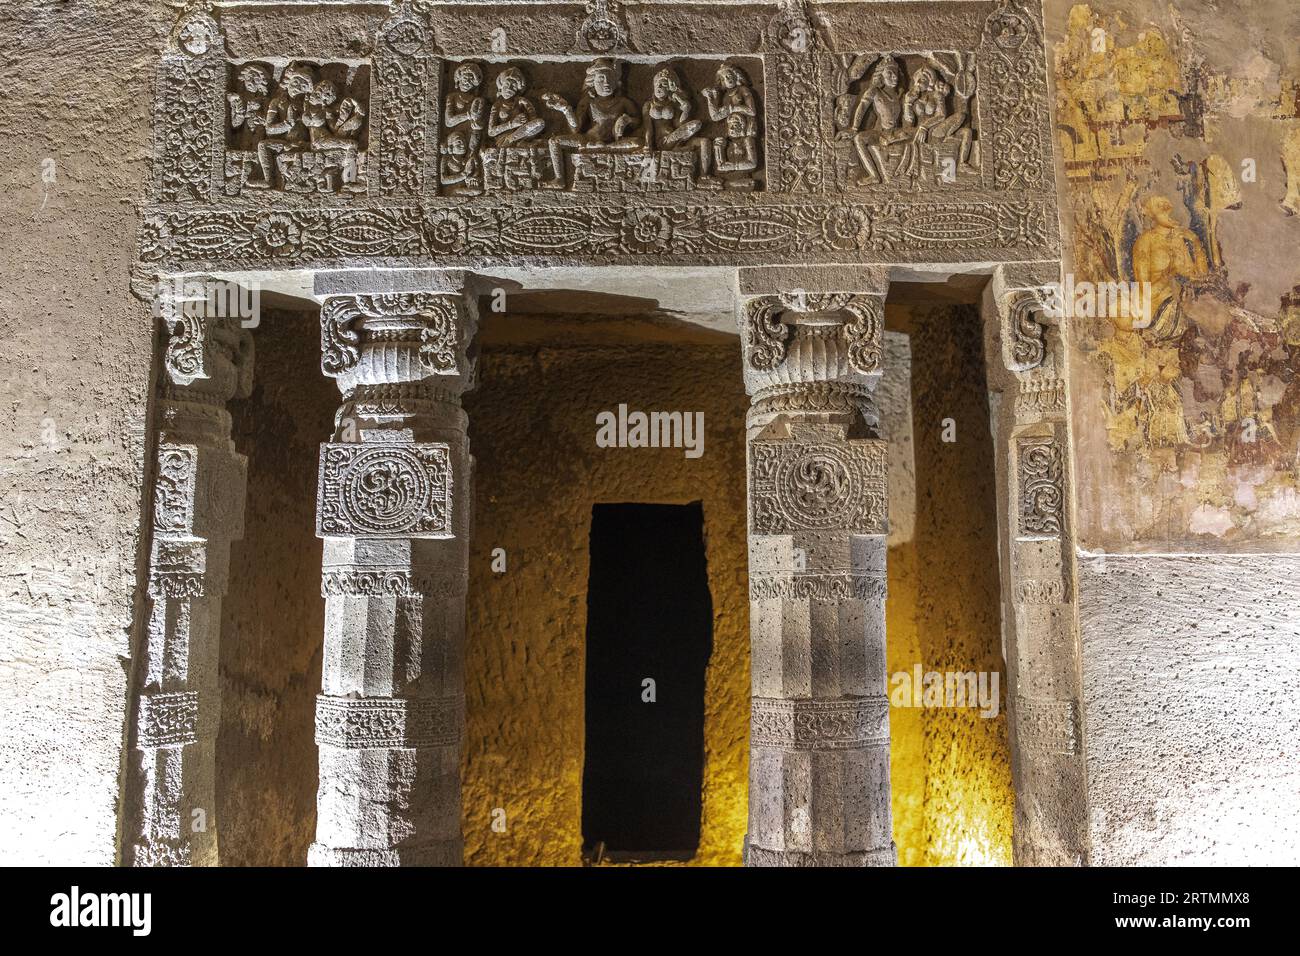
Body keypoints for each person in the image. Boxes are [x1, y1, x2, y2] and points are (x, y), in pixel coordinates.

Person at [541, 58, 641, 188]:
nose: (606, 83)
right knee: (554, 141)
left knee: (638, 142)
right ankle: (559, 178)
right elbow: (576, 128)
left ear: (616, 82)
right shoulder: (588, 101)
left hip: (614, 142)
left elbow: (637, 122)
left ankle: (605, 148)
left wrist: (628, 120)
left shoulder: (623, 102)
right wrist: (566, 110)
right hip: (587, 139)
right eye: (600, 79)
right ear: (592, 82)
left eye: (610, 79)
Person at [642, 67, 714, 183]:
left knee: (704, 141)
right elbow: (648, 128)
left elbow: (680, 125)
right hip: (663, 142)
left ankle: (705, 175)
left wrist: (686, 108)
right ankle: (677, 149)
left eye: (664, 85)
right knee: (695, 125)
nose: (660, 87)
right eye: (658, 84)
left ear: (670, 88)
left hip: (676, 138)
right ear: (654, 85)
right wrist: (648, 146)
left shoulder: (672, 104)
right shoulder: (648, 105)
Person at [250, 62, 315, 189]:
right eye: (295, 82)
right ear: (288, 83)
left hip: (304, 144)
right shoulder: (277, 102)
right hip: (284, 143)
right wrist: (287, 123)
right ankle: (269, 180)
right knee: (263, 145)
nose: (298, 87)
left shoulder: (308, 104)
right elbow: (269, 129)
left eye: (303, 86)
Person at [486, 66, 546, 146]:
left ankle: (515, 141)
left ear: (517, 90)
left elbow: (533, 119)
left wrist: (526, 118)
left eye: (513, 86)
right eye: (506, 85)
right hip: (504, 139)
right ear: (501, 87)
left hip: (522, 134)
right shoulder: (497, 105)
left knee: (540, 123)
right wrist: (511, 124)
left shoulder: (521, 101)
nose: (509, 89)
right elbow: (491, 132)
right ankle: (512, 141)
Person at [445, 62, 487, 155]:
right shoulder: (452, 97)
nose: (467, 82)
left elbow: (479, 120)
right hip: (455, 136)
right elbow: (449, 122)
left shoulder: (476, 100)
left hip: (471, 135)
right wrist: (468, 115)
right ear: (459, 79)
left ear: (474, 84)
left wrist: (478, 126)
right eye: (465, 78)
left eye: (471, 80)